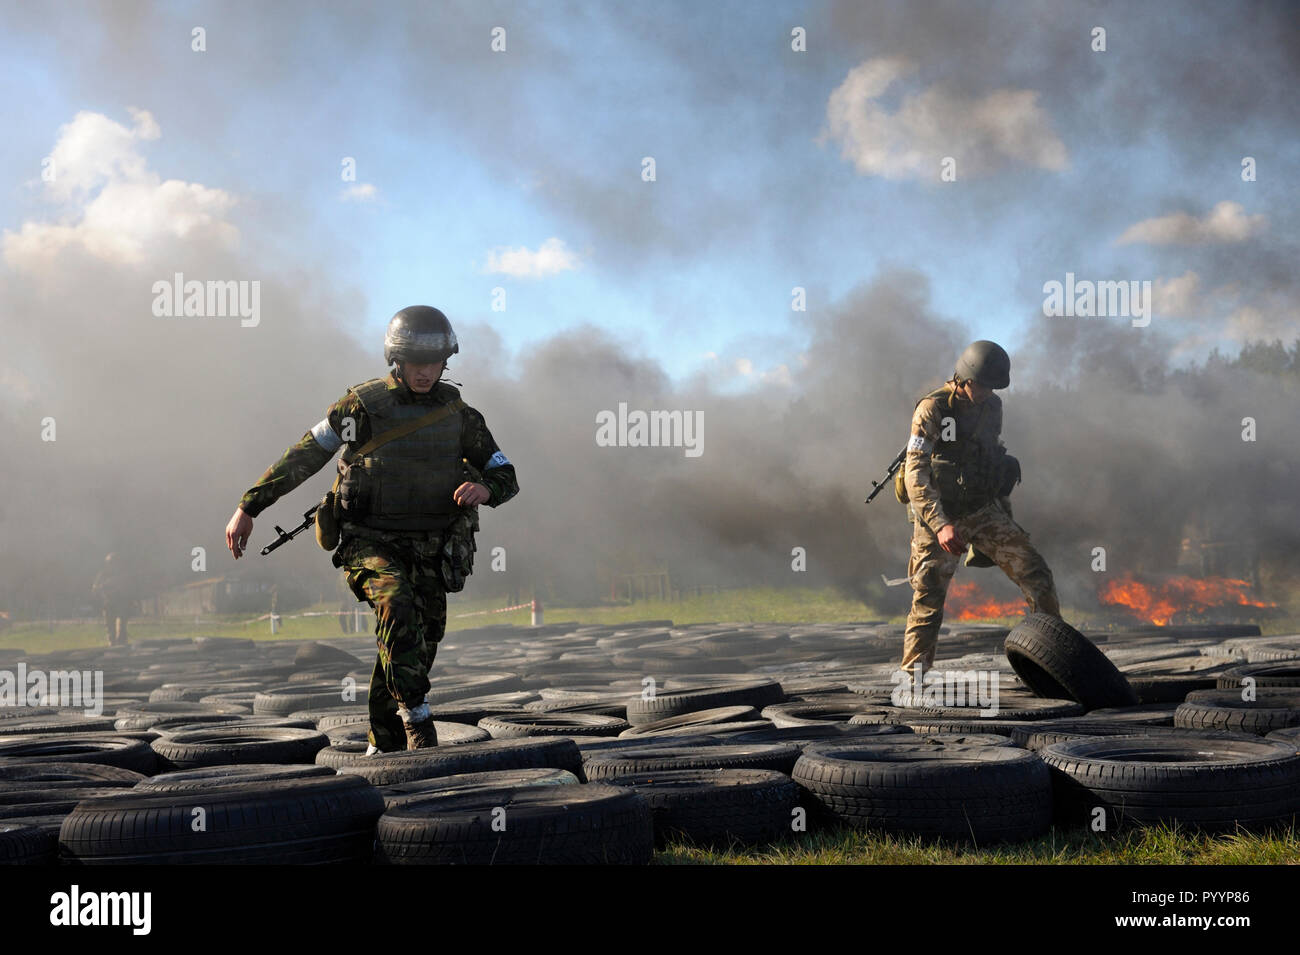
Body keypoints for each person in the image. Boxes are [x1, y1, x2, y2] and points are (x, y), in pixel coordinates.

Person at [223, 306, 519, 752]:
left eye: (433, 363)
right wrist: (250, 505)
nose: (425, 373)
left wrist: (485, 489)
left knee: (413, 646)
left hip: (435, 548)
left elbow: (506, 474)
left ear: (446, 361)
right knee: (395, 607)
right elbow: (305, 454)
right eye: (415, 363)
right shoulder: (360, 407)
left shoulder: (461, 417)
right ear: (396, 361)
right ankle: (419, 723)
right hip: (370, 541)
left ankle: (384, 746)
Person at [900, 340, 1060, 676]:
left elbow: (988, 449)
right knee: (928, 600)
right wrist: (941, 525)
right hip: (938, 514)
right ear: (964, 378)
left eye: (993, 387)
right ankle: (913, 680)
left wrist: (1002, 471)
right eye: (983, 385)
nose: (987, 392)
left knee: (1036, 573)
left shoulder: (993, 407)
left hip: (981, 510)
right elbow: (914, 472)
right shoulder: (932, 409)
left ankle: (1055, 660)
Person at [91, 552, 134, 646]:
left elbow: (127, 587)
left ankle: (122, 647)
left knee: (121, 628)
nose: (112, 565)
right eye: (110, 562)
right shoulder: (102, 574)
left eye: (114, 562)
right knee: (110, 631)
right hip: (108, 604)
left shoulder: (123, 574)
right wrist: (103, 587)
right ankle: (112, 649)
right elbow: (94, 588)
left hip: (121, 604)